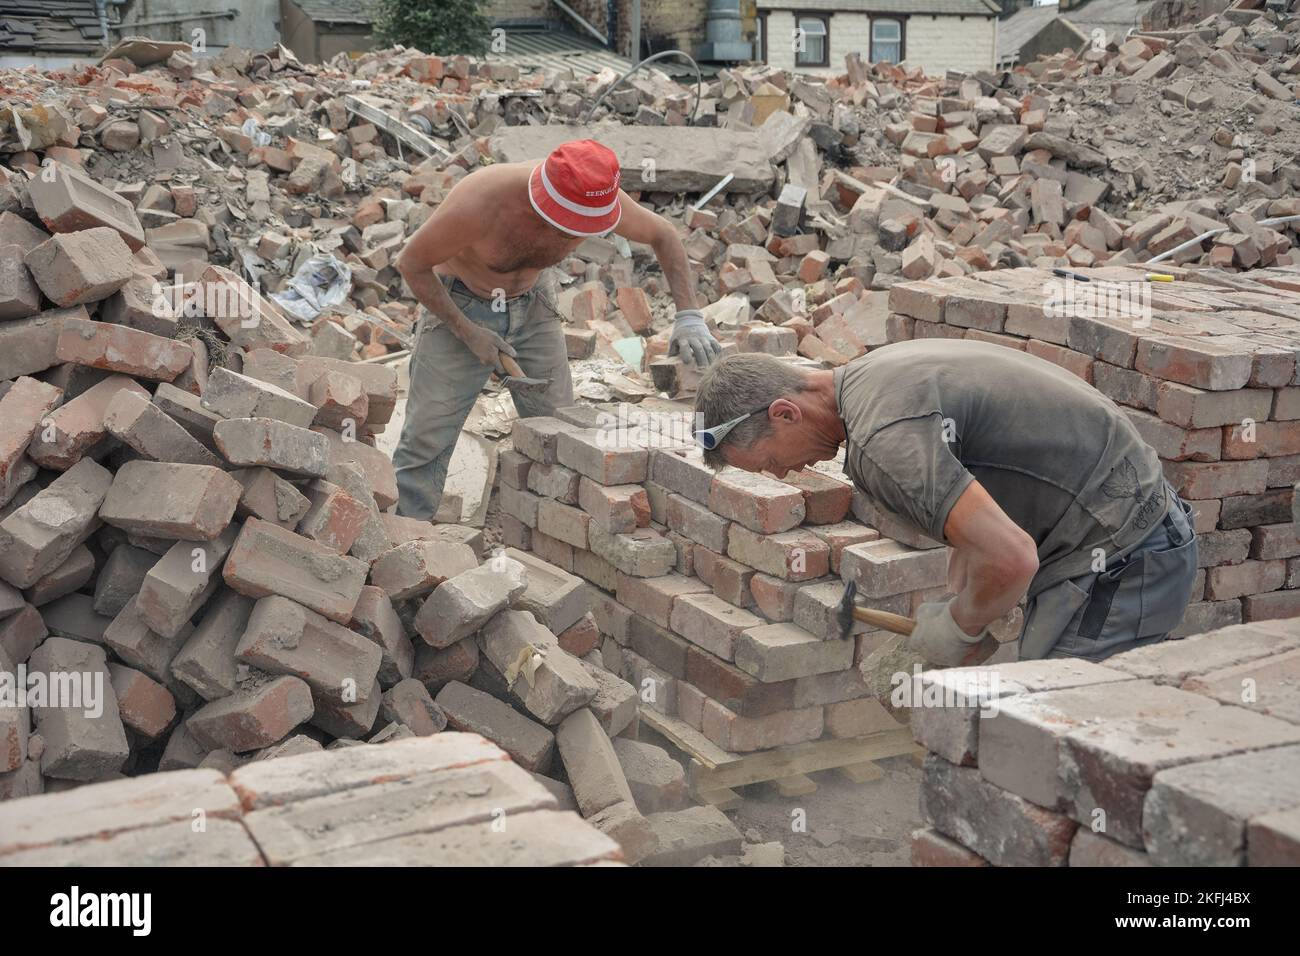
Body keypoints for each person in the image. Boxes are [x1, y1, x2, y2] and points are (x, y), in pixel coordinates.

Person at [691, 341, 1199, 664]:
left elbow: (1013, 557)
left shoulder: (882, 443)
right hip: (1125, 532)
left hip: (1125, 557)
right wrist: (965, 600)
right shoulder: (874, 375)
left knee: (1052, 740)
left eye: (766, 463)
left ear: (784, 413)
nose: (781, 474)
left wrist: (961, 624)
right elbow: (975, 502)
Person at [393, 139, 721, 519]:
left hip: (533, 305)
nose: (571, 238)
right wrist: (467, 332)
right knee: (427, 438)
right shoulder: (481, 201)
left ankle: (551, 527)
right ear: (544, 201)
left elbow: (662, 234)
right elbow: (411, 263)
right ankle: (410, 541)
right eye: (566, 226)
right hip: (461, 304)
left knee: (562, 427)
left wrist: (689, 315)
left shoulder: (596, 195)